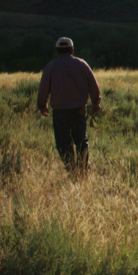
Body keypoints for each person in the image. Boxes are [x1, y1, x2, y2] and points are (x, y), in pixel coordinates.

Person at [37, 37, 102, 174]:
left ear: (57, 52)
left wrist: (42, 106)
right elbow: (94, 85)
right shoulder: (82, 64)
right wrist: (96, 103)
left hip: (60, 112)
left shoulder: (51, 67)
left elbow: (43, 90)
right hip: (79, 111)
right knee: (81, 140)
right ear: (72, 50)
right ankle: (83, 170)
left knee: (63, 142)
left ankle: (72, 170)